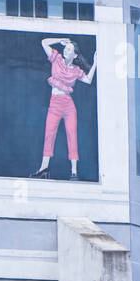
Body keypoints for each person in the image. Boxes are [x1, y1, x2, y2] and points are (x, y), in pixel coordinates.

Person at [30, 37, 97, 180]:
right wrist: (61, 40)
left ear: (75, 55)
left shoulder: (76, 70)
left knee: (72, 135)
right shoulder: (57, 59)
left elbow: (88, 80)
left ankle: (74, 172)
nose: (66, 50)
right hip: (54, 103)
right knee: (49, 134)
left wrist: (95, 63)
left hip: (68, 105)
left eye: (70, 50)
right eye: (66, 48)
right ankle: (44, 168)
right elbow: (43, 42)